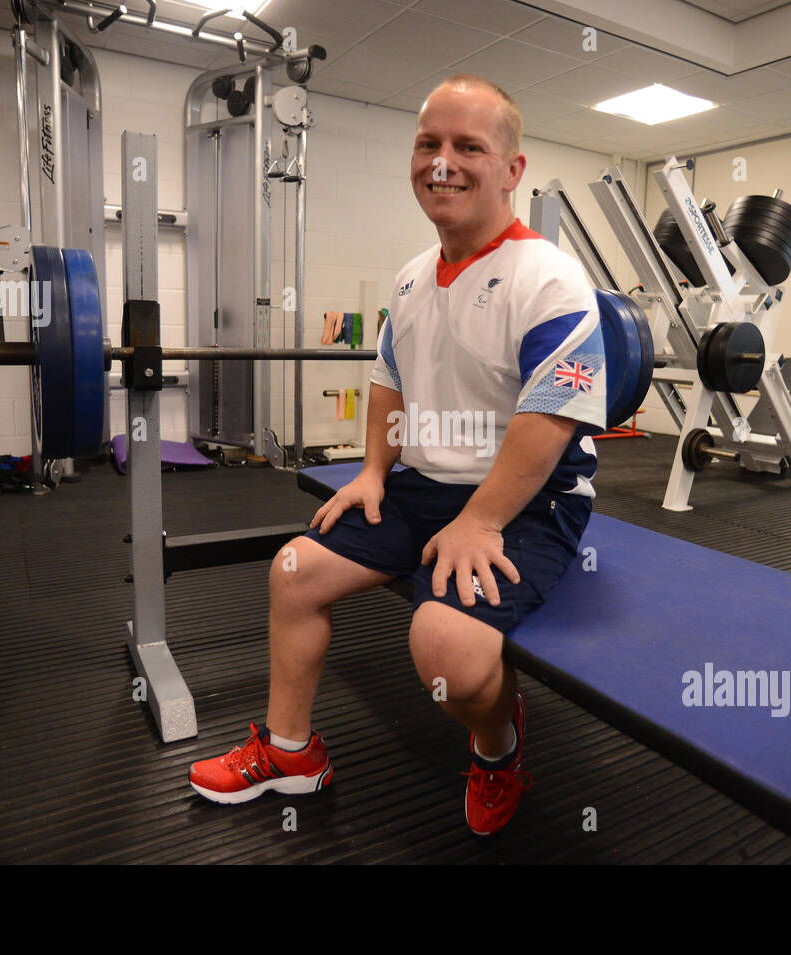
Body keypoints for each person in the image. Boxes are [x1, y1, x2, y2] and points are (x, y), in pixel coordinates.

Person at [189, 74, 606, 836]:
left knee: (443, 649)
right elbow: (388, 383)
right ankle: (291, 753)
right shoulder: (414, 276)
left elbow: (551, 421)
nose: (442, 162)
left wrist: (481, 520)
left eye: (467, 147)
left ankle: (497, 744)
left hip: (529, 497)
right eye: (428, 144)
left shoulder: (551, 279)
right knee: (293, 572)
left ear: (512, 170)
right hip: (422, 485)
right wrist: (374, 472)